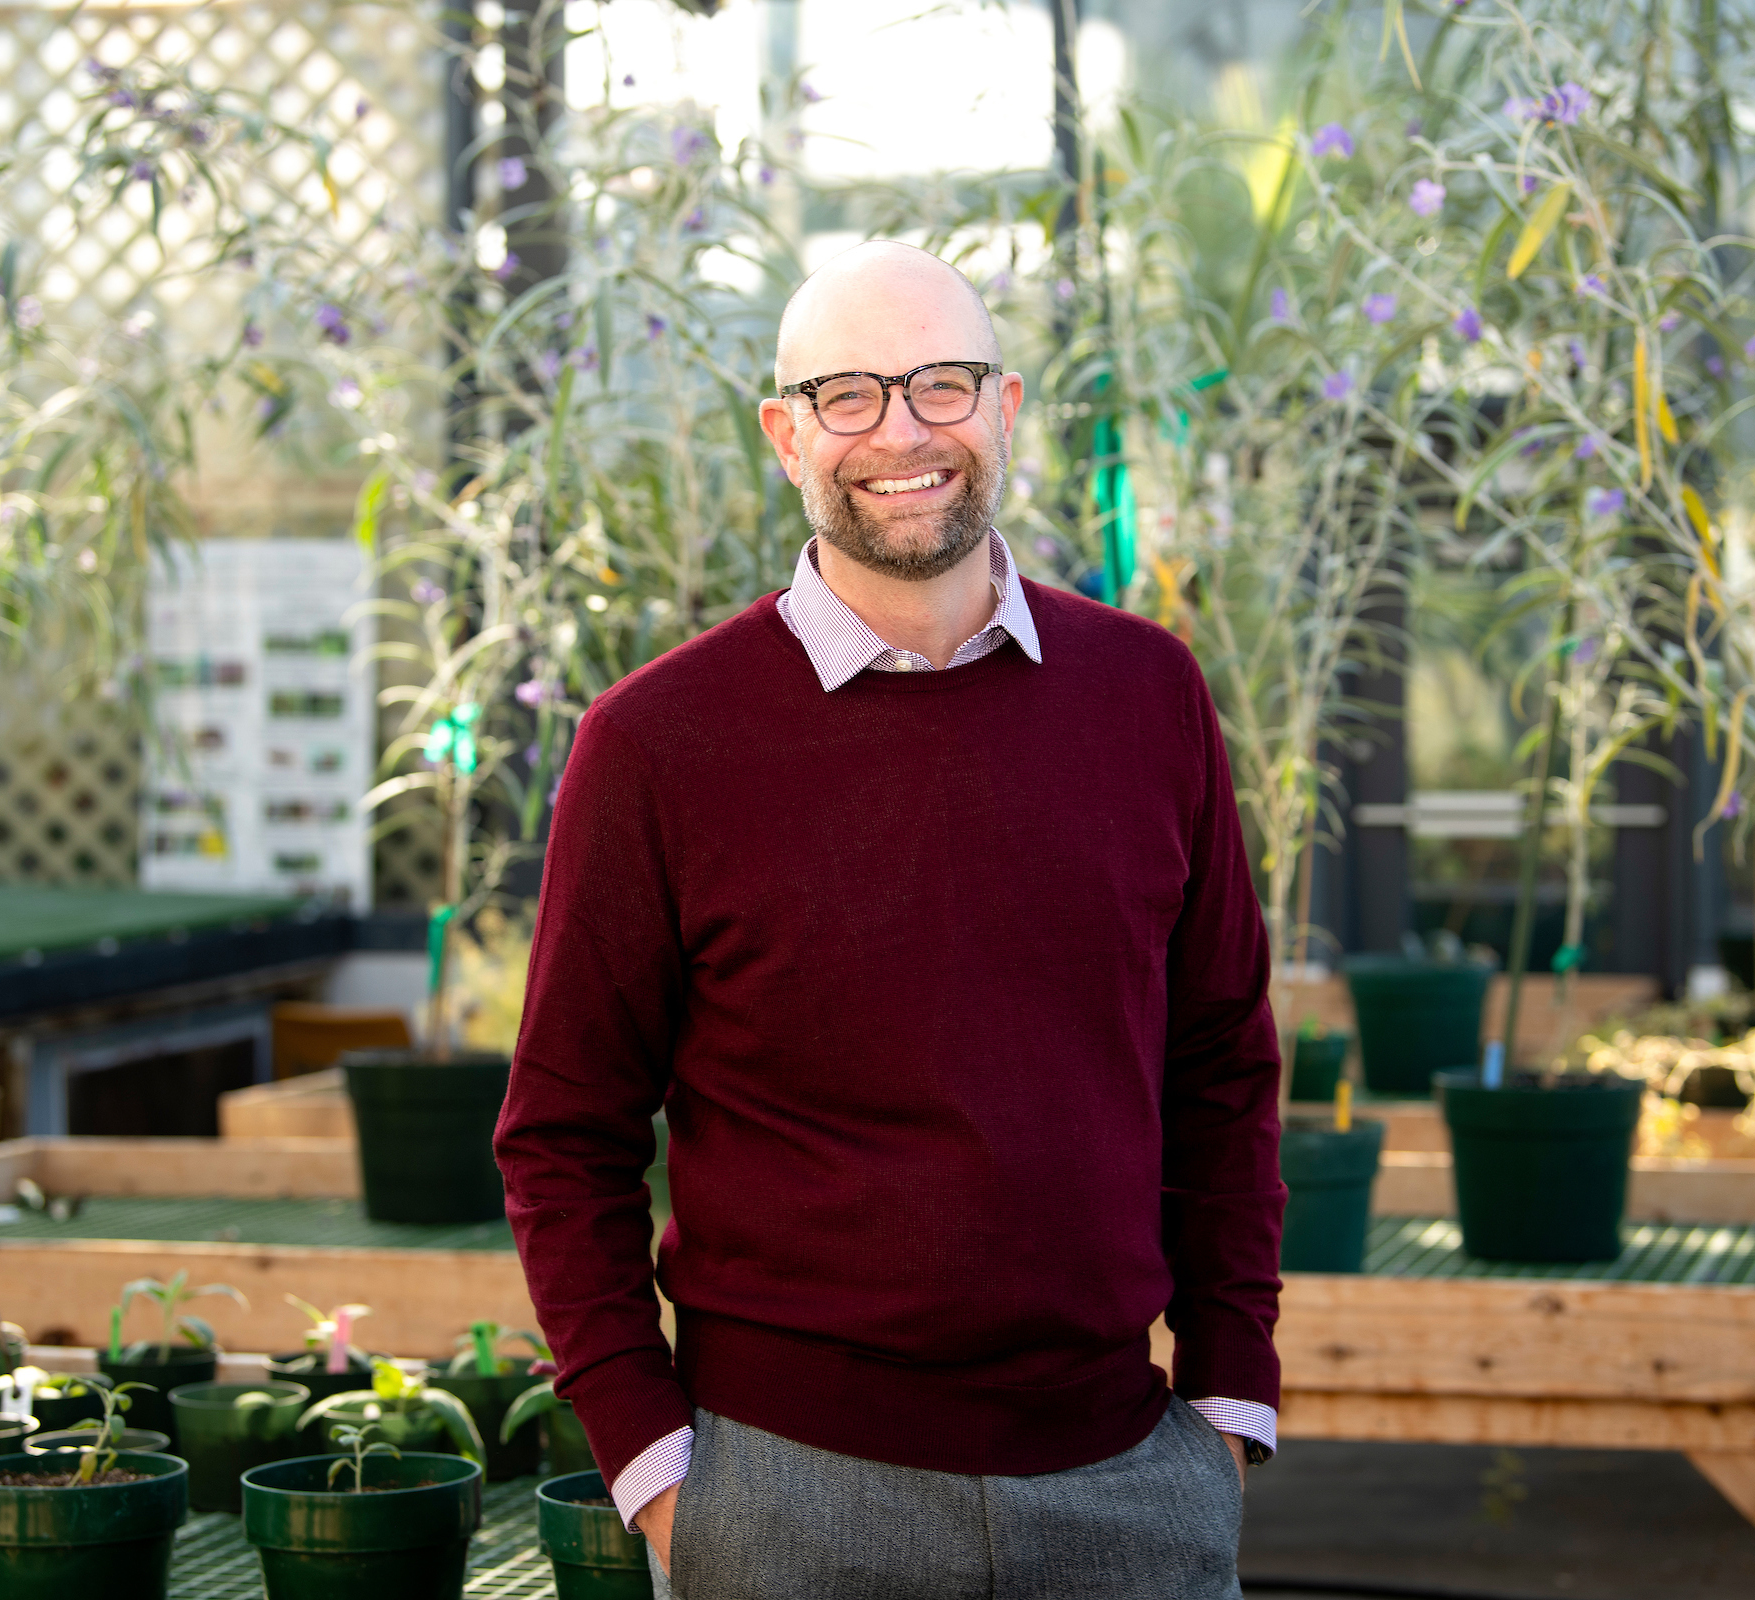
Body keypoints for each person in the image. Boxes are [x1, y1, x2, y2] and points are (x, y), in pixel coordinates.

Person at [494, 240, 1284, 1599]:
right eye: (848, 394)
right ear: (785, 433)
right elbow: (564, 1132)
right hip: (790, 1502)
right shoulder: (657, 744)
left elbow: (1222, 1064)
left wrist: (1227, 1398)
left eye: (942, 385)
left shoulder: (1149, 696)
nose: (902, 432)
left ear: (1006, 406)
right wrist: (655, 1469)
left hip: (1131, 1489)